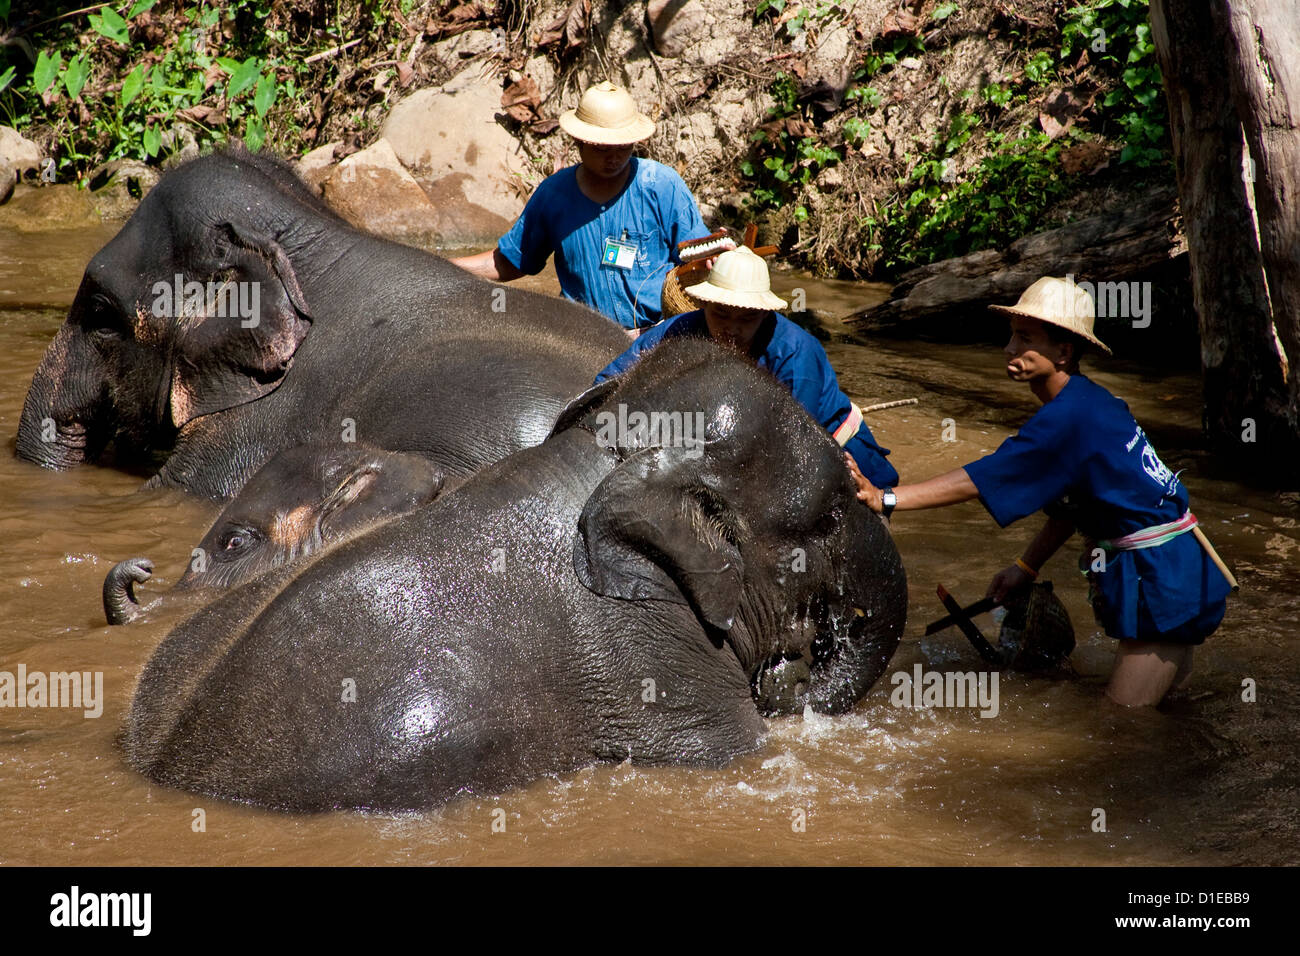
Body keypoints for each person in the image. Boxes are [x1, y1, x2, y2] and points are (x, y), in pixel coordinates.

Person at [847, 276, 1232, 706]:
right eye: (1011, 336)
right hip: (1180, 569)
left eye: (1025, 338)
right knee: (1168, 716)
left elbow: (983, 477)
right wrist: (1025, 567)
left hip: (1164, 582)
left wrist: (887, 498)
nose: (1009, 349)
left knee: (1122, 727)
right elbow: (1073, 508)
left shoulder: (1068, 421)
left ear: (1064, 352)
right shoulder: (1092, 403)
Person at [595, 246, 899, 488]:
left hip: (834, 455)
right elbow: (610, 380)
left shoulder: (795, 353)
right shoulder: (680, 331)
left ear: (764, 314)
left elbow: (790, 444)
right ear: (704, 305)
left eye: (746, 318)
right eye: (722, 314)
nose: (731, 329)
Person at [449, 81, 711, 331]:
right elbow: (511, 262)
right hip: (582, 338)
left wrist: (716, 257)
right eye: (602, 149)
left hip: (653, 334)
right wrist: (441, 267)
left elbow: (697, 261)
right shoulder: (554, 195)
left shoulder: (661, 185)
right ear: (579, 143)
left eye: (623, 147)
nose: (614, 158)